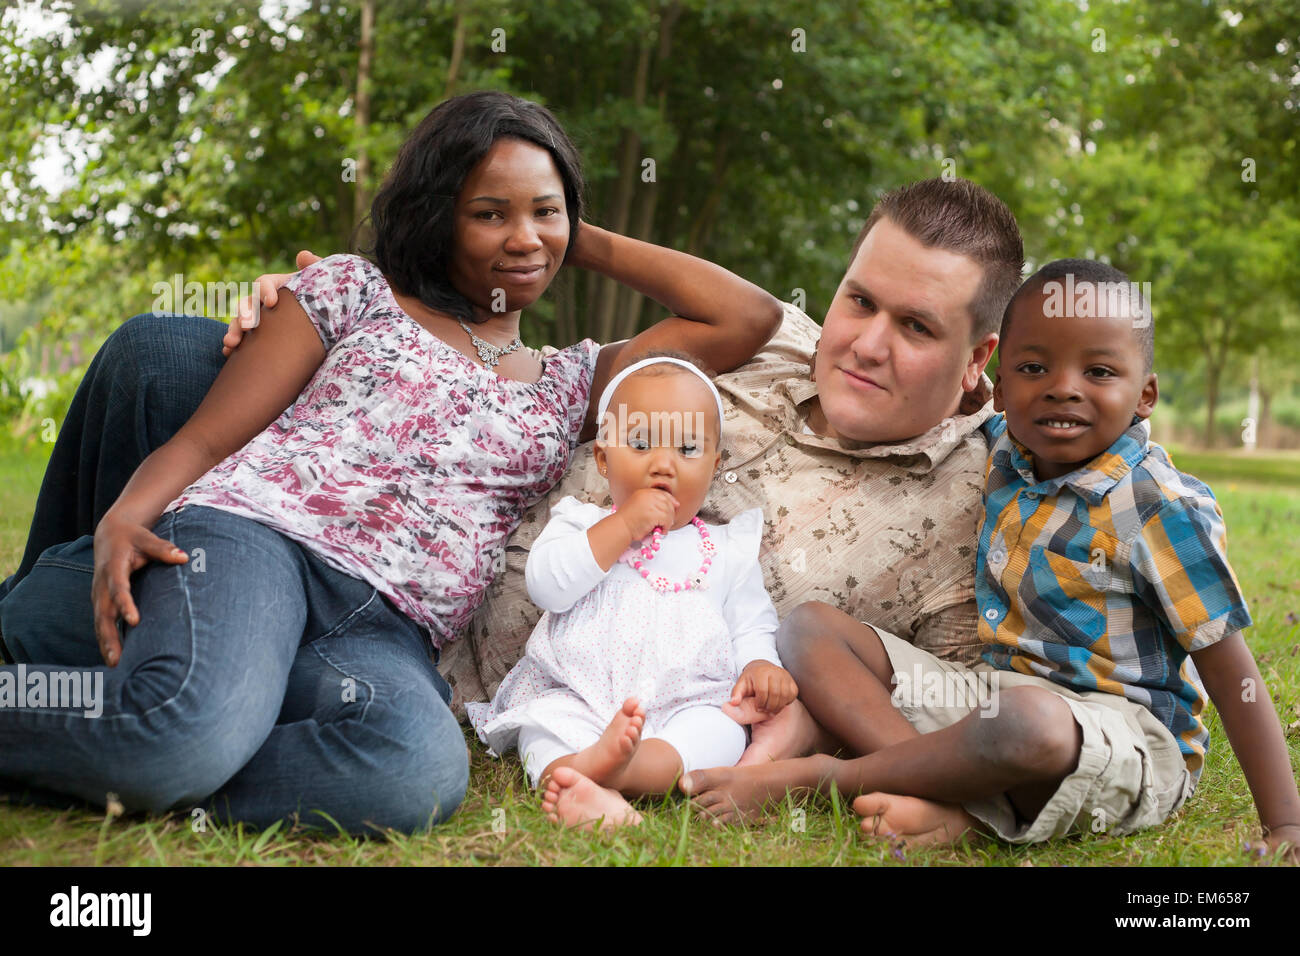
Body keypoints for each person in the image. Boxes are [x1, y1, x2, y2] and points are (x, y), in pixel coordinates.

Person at [6, 176, 1021, 770]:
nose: (864, 343)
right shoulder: (787, 340)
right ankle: (63, 606)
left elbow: (988, 694)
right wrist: (549, 234)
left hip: (426, 627)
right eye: (859, 300)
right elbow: (746, 310)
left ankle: (140, 686)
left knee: (306, 730)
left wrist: (926, 785)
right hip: (387, 473)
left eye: (917, 326)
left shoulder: (972, 511)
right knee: (161, 356)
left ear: (979, 359)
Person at [0, 91, 782, 833]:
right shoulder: (355, 291)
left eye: (545, 211)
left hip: (385, 631)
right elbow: (209, 439)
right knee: (184, 734)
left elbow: (746, 316)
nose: (523, 239)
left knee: (414, 772)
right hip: (260, 544)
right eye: (489, 214)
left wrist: (571, 231)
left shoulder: (575, 382)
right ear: (437, 220)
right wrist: (126, 513)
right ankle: (180, 735)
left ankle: (185, 732)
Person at [680, 260, 1300, 862]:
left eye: (1100, 371)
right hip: (991, 698)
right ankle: (938, 793)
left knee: (1031, 723)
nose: (1063, 386)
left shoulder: (1159, 507)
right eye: (1034, 367)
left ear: (1146, 395)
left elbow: (1229, 670)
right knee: (809, 628)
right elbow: (943, 396)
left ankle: (825, 778)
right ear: (1000, 388)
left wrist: (1285, 822)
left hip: (1121, 733)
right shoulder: (1004, 451)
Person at [467, 353, 796, 828]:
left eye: (687, 450)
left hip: (686, 700)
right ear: (603, 457)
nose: (664, 464)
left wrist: (761, 664)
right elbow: (547, 587)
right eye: (641, 444)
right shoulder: (582, 524)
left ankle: (627, 771)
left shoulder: (726, 549)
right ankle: (577, 772)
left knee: (720, 730)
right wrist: (622, 526)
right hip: (577, 691)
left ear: (715, 464)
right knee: (545, 726)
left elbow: (751, 623)